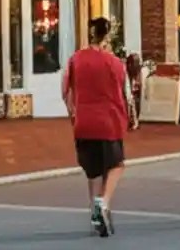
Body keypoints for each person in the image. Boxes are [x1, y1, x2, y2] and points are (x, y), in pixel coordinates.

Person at [63, 17, 133, 238]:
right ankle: (102, 203)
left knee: (93, 172)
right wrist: (131, 118)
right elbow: (126, 94)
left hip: (84, 123)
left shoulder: (75, 60)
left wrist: (74, 114)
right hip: (108, 122)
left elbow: (65, 91)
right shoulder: (114, 63)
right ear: (107, 36)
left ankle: (95, 214)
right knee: (116, 165)